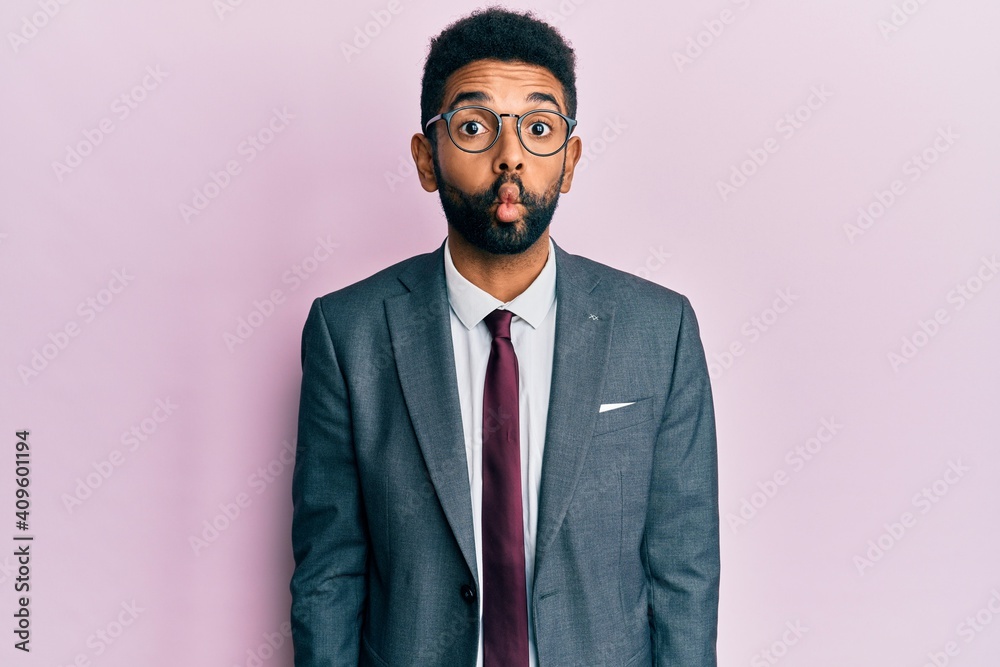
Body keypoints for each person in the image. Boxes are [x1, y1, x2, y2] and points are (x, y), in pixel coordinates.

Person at [290, 7, 720, 666]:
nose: (510, 154)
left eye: (539, 127)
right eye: (472, 127)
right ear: (426, 158)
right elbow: (329, 577)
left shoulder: (659, 330)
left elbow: (684, 576)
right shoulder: (347, 333)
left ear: (570, 160)